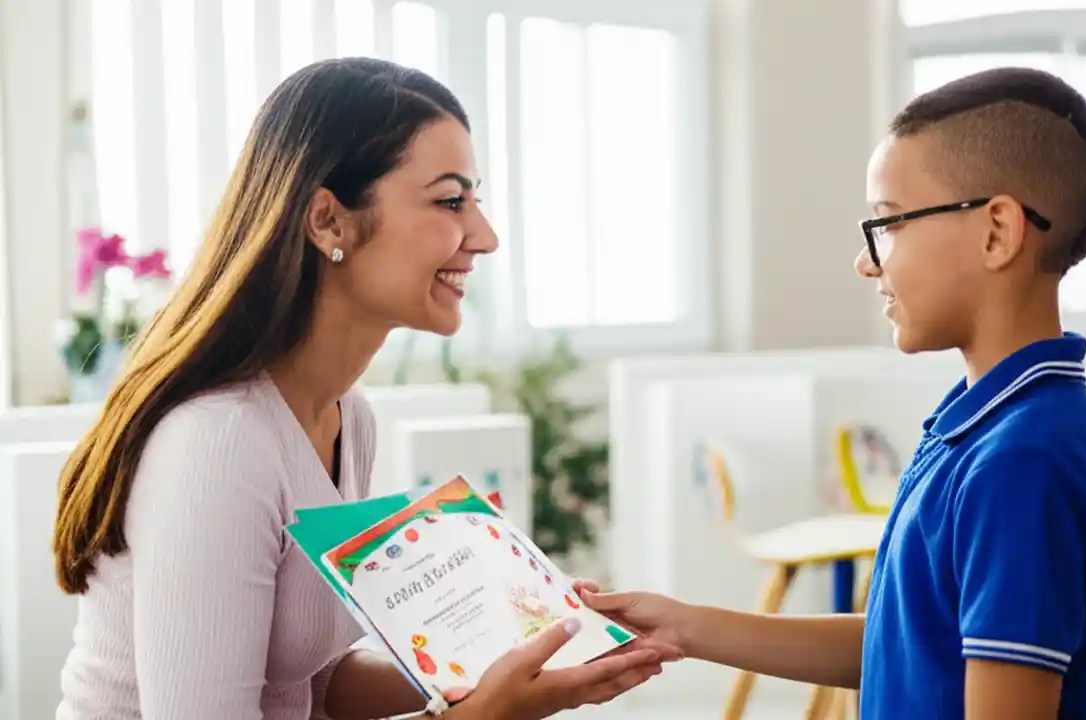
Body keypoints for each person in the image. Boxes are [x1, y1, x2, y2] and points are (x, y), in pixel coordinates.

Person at [52, 57, 675, 720]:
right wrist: (481, 714)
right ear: (328, 222)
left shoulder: (347, 418)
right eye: (449, 200)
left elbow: (306, 687)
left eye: (475, 200)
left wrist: (514, 656)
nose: (484, 237)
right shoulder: (221, 443)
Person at [578, 66, 1086, 719]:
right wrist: (686, 628)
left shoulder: (1023, 460)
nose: (867, 261)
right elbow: (908, 644)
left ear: (996, 232)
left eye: (888, 224)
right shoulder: (988, 427)